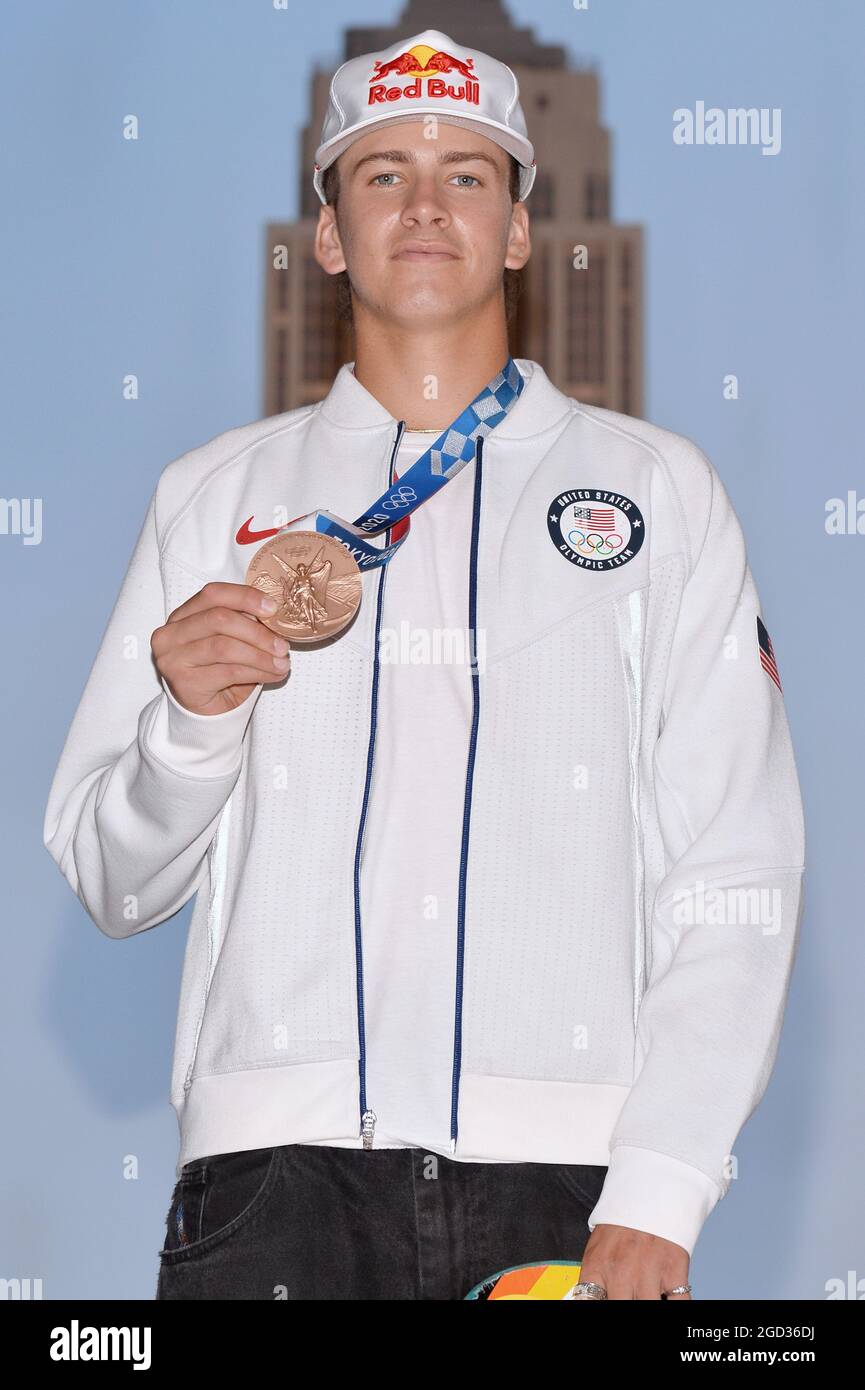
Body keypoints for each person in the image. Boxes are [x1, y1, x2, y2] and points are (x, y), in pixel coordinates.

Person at [43, 27, 805, 1301]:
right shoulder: (210, 497)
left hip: (564, 1186)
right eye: (382, 172)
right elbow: (112, 880)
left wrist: (663, 1179)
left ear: (517, 227)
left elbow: (736, 865)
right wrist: (186, 725)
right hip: (263, 1188)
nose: (425, 202)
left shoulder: (657, 494)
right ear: (329, 232)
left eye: (466, 174)